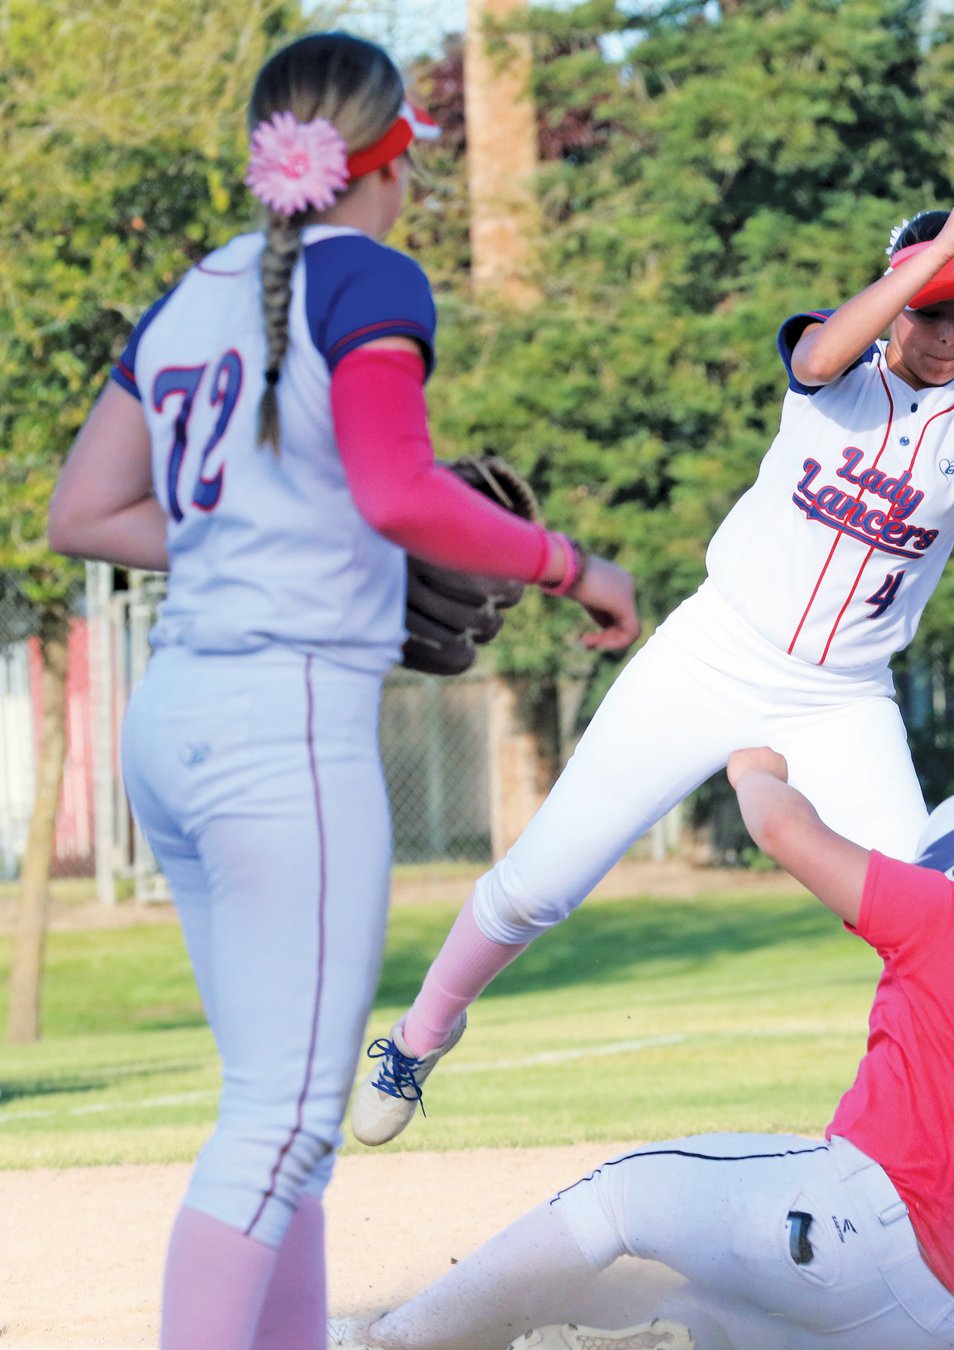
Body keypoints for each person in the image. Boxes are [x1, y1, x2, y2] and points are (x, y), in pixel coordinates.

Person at [47, 31, 637, 1350]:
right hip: (282, 735)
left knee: (286, 1106)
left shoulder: (192, 289)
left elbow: (82, 511)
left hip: (175, 723)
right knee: (282, 1118)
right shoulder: (369, 274)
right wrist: (571, 564)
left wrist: (257, 531)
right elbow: (394, 489)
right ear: (396, 158)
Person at [353, 143, 954, 1146]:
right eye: (931, 307)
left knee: (928, 920)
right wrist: (937, 246)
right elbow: (815, 357)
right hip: (712, 655)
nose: (946, 331)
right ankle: (420, 1036)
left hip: (841, 698)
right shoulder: (834, 371)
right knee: (540, 883)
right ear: (895, 302)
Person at [344, 750, 954, 1350]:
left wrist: (754, 766)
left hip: (854, 1228)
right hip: (943, 1327)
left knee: (620, 1194)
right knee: (697, 1321)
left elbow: (783, 829)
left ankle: (396, 1343)